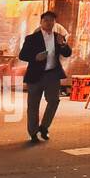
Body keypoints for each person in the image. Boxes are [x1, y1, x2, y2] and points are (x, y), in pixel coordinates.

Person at [19, 11, 72, 144]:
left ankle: (44, 127)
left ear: (54, 23)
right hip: (35, 75)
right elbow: (22, 55)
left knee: (54, 101)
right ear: (41, 22)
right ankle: (33, 133)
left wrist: (63, 45)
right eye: (46, 20)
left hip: (52, 75)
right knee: (33, 105)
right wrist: (35, 57)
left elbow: (67, 53)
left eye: (52, 21)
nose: (49, 23)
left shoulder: (58, 37)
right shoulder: (32, 38)